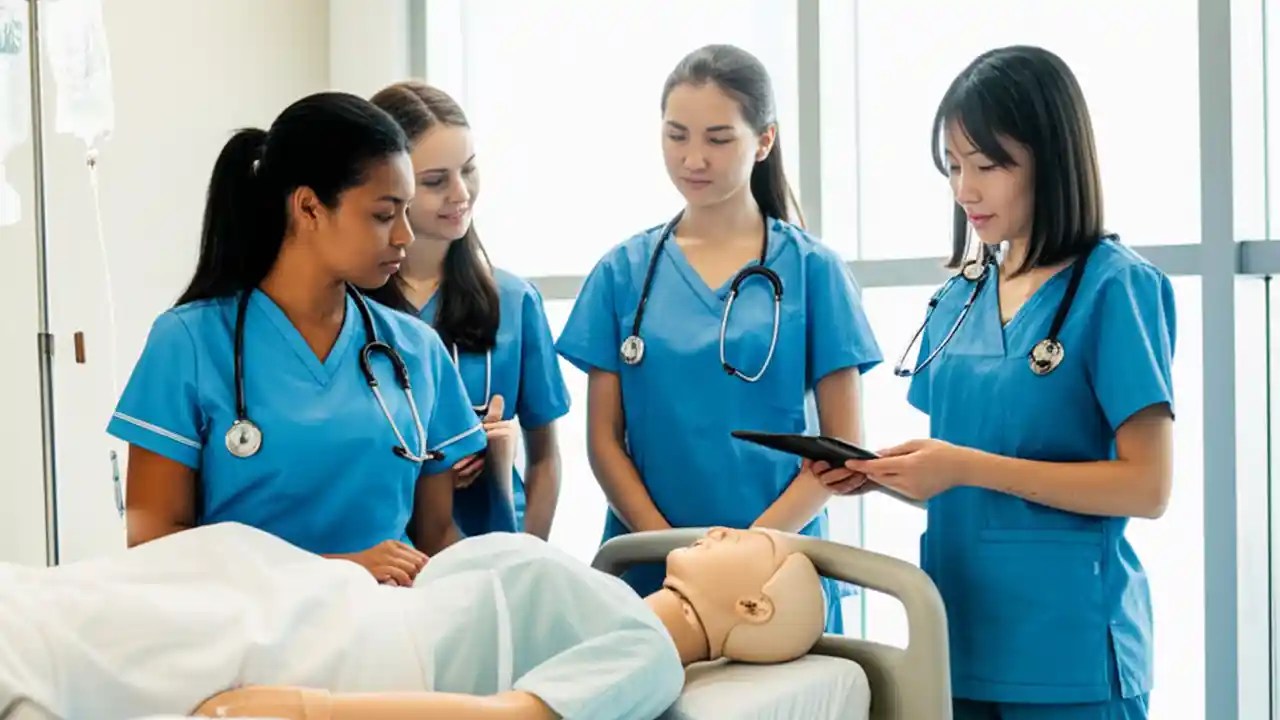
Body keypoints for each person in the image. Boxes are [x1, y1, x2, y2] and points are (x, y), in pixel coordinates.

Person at [840, 46, 1173, 719]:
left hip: (1069, 650)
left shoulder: (1114, 287)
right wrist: (879, 475)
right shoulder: (960, 297)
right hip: (960, 638)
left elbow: (1147, 487)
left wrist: (962, 466)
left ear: (1052, 159)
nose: (966, 190)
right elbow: (964, 485)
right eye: (954, 166)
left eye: (989, 166)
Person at [555, 43, 882, 635]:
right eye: (676, 135)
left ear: (764, 140)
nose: (693, 158)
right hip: (650, 563)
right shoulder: (622, 272)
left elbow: (842, 447)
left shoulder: (814, 271)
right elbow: (604, 442)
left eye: (718, 138)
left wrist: (746, 551)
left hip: (776, 565)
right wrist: (670, 550)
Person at [106, 92, 487, 586]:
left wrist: (493, 589)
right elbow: (154, 544)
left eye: (406, 211)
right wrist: (336, 573)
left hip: (390, 632)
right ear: (309, 207)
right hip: (241, 642)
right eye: (382, 214)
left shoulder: (416, 351)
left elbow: (436, 535)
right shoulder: (189, 344)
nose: (404, 237)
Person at [0, 523, 827, 720]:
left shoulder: (646, 656)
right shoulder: (601, 583)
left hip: (373, 654)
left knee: (117, 631)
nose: (724, 527)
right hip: (352, 602)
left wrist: (310, 709)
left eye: (749, 545)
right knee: (160, 581)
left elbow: (513, 718)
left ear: (751, 609)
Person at [363, 80, 571, 540]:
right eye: (435, 181)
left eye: (469, 170)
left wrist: (529, 558)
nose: (461, 194)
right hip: (384, 558)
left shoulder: (514, 301)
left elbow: (545, 458)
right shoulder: (351, 308)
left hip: (492, 548)